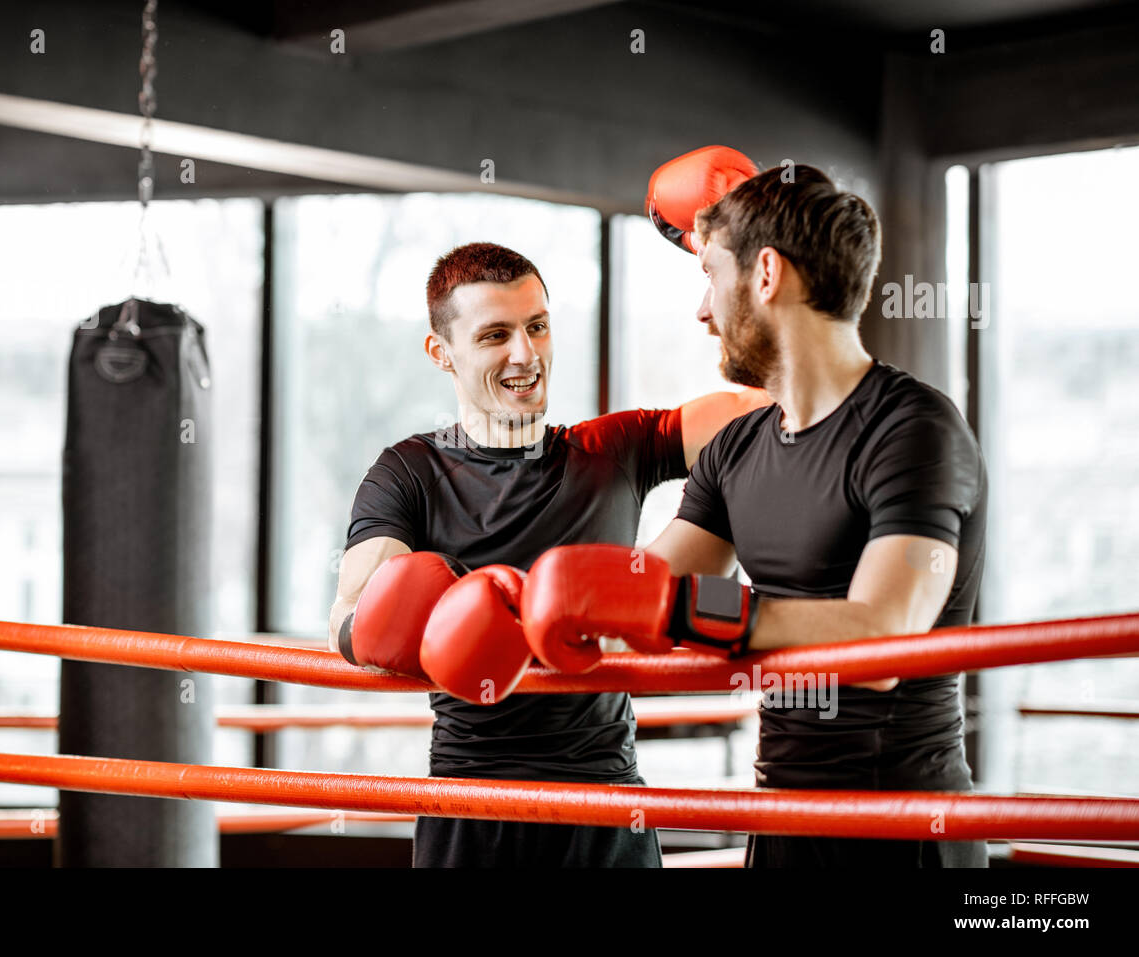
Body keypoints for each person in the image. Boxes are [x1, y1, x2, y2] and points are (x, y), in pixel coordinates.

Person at [522, 156, 990, 868]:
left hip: (904, 826)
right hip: (778, 822)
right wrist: (511, 603)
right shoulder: (738, 448)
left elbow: (882, 639)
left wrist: (694, 611)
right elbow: (646, 589)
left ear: (765, 274)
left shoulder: (914, 429)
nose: (702, 309)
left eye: (711, 274)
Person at [328, 238, 769, 867]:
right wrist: (404, 623)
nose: (525, 354)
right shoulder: (410, 472)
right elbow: (347, 613)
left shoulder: (614, 449)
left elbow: (758, 411)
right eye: (494, 335)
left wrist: (744, 250)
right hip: (472, 804)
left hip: (605, 799)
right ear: (441, 352)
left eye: (537, 326)